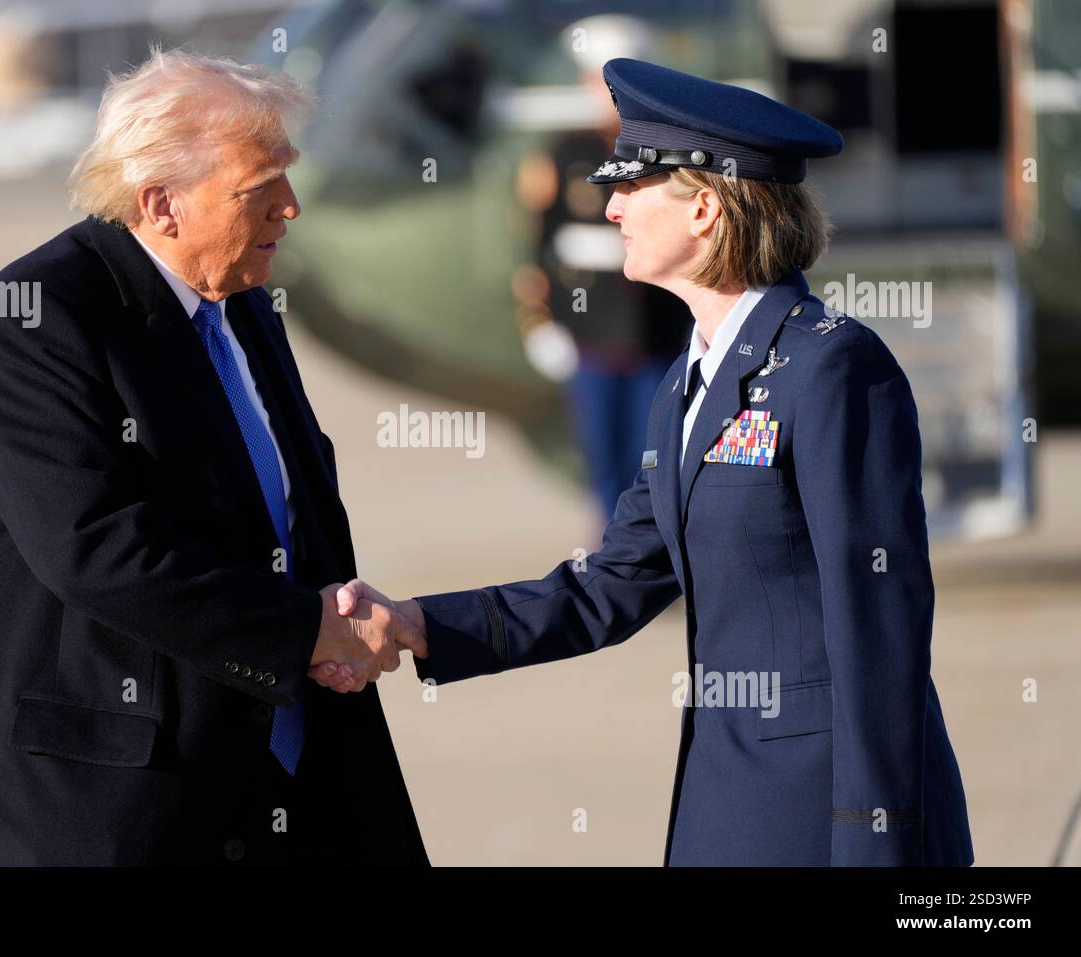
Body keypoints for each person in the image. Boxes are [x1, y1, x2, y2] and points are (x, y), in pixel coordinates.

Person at [312, 58, 976, 867]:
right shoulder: (686, 381)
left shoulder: (833, 368)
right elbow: (610, 584)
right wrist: (417, 624)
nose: (612, 204)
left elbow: (880, 627)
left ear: (703, 206)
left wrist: (878, 846)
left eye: (633, 186)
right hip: (724, 801)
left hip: (823, 809)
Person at [0, 47, 427, 866]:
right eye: (261, 190)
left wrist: (338, 637)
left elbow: (293, 508)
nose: (290, 209)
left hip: (281, 772)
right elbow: (97, 550)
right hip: (107, 799)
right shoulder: (45, 315)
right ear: (162, 205)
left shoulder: (242, 300)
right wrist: (309, 632)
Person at [513, 15, 692, 522]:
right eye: (595, 82)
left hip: (658, 331)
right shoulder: (564, 155)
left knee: (657, 455)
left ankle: (662, 558)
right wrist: (539, 321)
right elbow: (537, 250)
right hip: (588, 330)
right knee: (602, 460)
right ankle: (615, 562)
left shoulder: (670, 155)